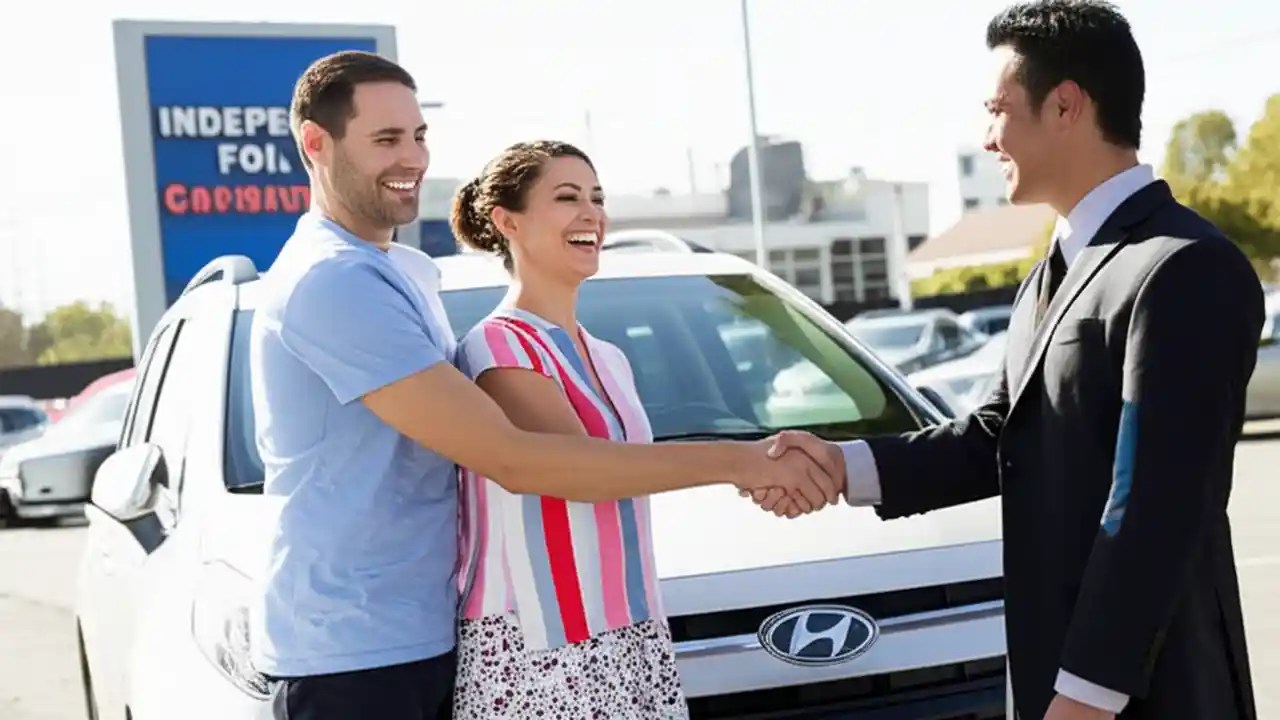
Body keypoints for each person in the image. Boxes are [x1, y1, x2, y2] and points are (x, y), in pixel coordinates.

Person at [248, 50, 840, 720]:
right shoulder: (333, 280)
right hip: (356, 658)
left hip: (420, 634)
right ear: (314, 144)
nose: (411, 158)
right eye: (386, 139)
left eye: (418, 136)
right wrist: (742, 461)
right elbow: (512, 457)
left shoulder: (400, 272)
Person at [764, 2, 1263, 719]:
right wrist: (845, 466)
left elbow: (1155, 508)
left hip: (1143, 691)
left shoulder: (1184, 267)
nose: (987, 138)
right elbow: (1002, 434)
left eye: (997, 110)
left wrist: (1086, 698)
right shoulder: (1050, 273)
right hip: (1052, 678)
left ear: (1065, 105)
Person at [446, 140, 687, 718]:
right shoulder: (498, 345)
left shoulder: (610, 357)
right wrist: (738, 464)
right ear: (508, 221)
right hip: (539, 643)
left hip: (631, 629)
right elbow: (581, 474)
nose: (592, 215)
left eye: (597, 198)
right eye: (567, 197)